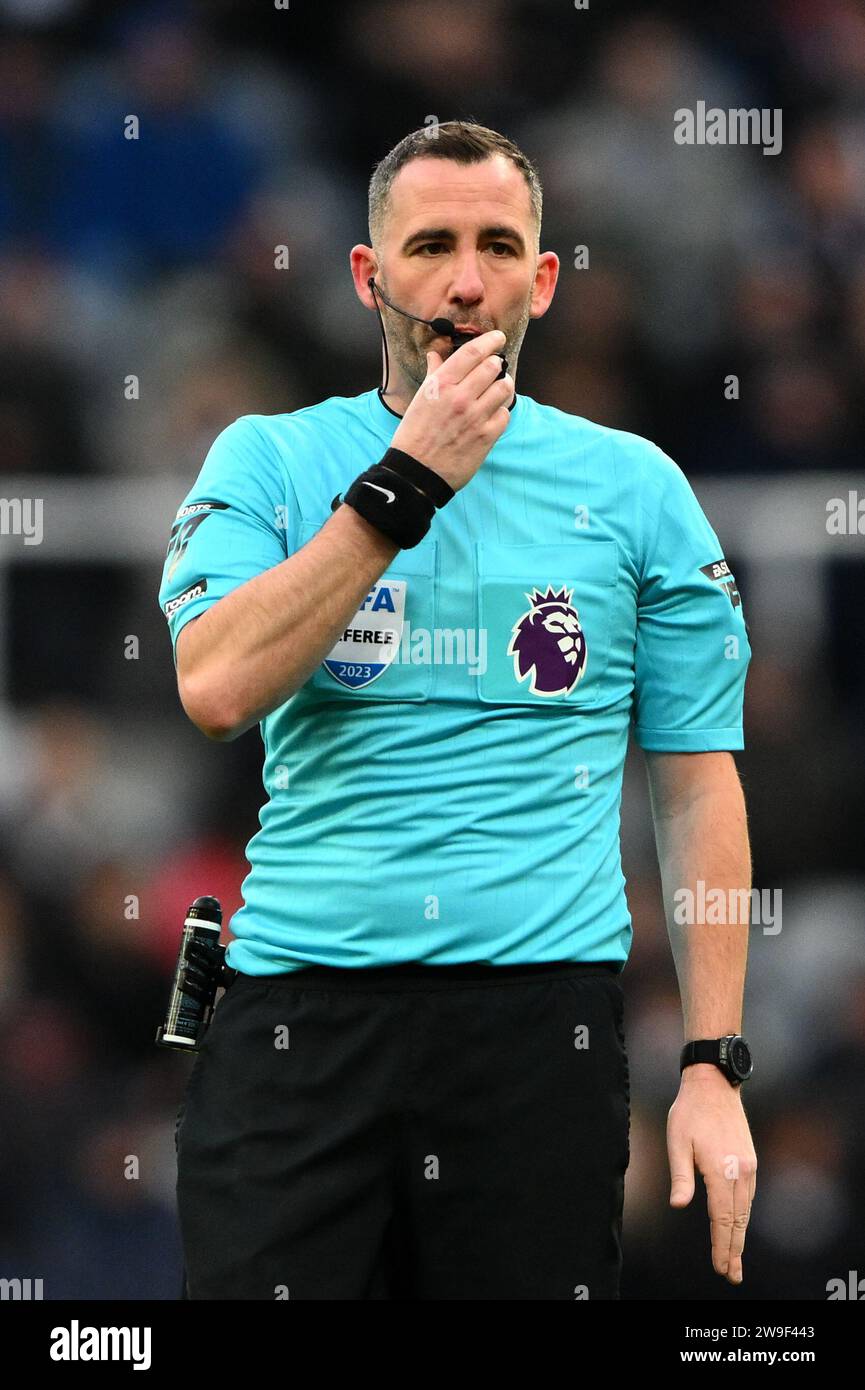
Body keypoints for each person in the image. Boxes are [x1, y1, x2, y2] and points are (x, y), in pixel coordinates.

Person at [159, 120, 756, 1300]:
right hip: (298, 1023)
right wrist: (402, 485)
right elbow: (216, 687)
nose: (466, 279)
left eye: (498, 246)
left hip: (539, 1032)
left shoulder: (633, 487)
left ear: (541, 279)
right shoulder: (272, 461)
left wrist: (711, 1063)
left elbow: (695, 783)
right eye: (430, 244)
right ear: (368, 275)